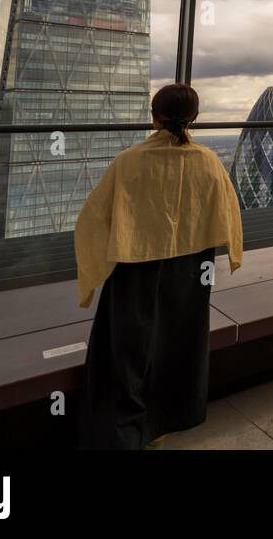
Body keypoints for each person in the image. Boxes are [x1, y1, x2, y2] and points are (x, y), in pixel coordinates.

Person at [76, 83, 244, 450]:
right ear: (195, 118)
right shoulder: (208, 161)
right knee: (177, 345)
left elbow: (93, 221)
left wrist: (91, 278)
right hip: (191, 273)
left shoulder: (130, 162)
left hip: (136, 270)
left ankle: (123, 434)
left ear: (154, 115)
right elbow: (228, 211)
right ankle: (162, 427)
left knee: (127, 352)